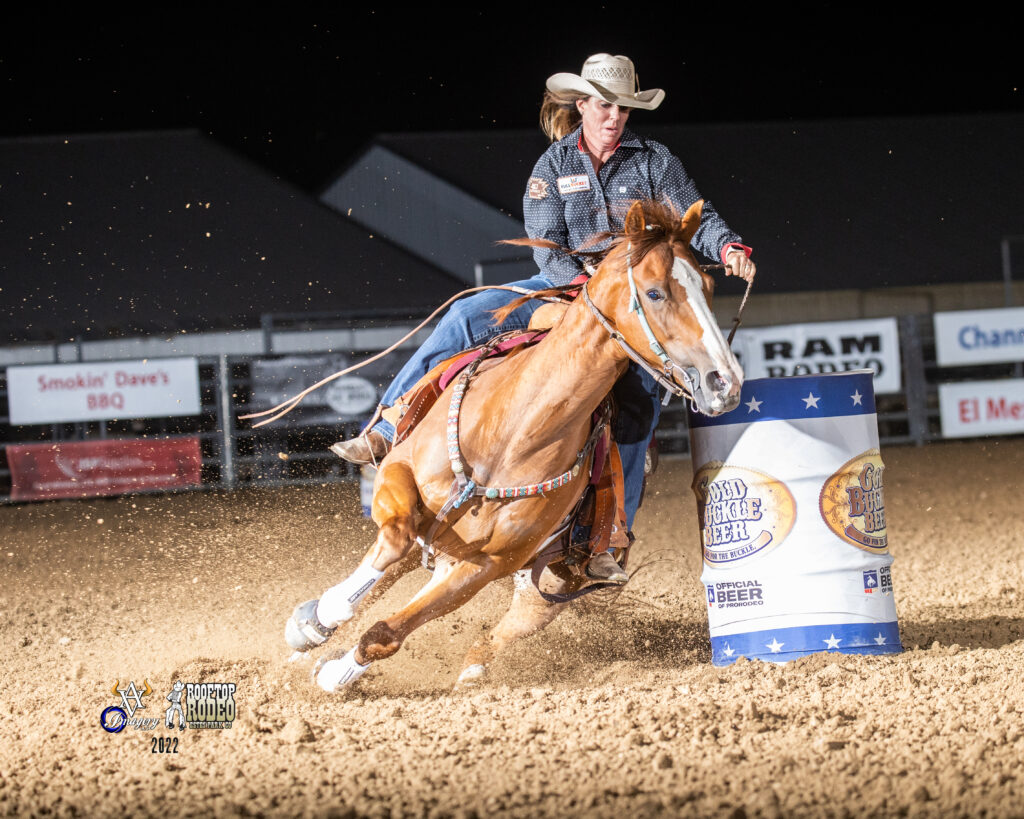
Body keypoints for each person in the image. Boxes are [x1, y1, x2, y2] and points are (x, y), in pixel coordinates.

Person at [332, 53, 755, 582]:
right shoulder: (553, 166)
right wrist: (583, 295)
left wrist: (729, 245)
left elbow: (697, 214)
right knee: (468, 315)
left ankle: (609, 533)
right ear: (582, 105)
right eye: (605, 105)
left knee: (640, 407)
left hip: (632, 304)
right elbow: (548, 247)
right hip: (563, 288)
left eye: (623, 107)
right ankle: (385, 426)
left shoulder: (655, 161)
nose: (615, 116)